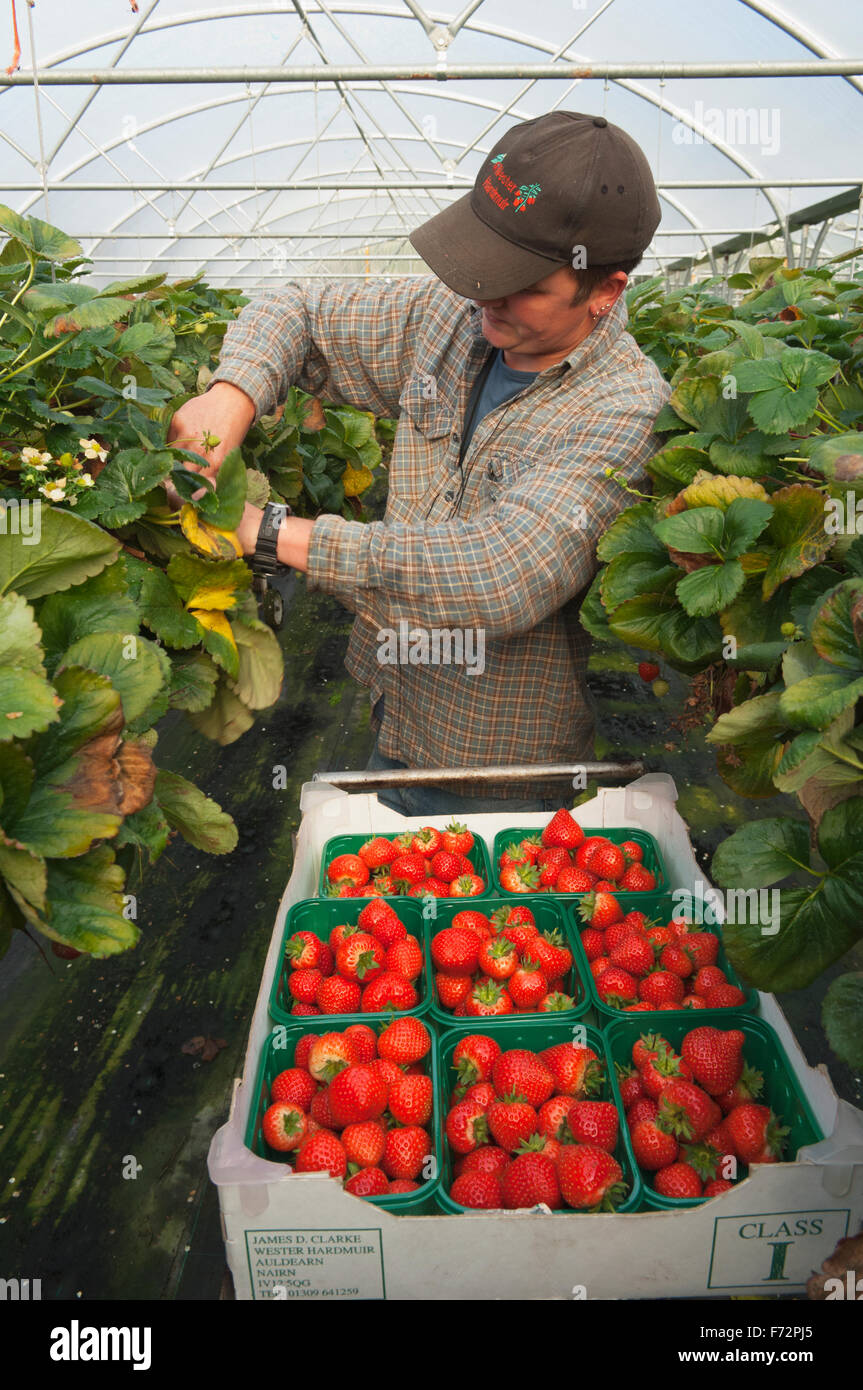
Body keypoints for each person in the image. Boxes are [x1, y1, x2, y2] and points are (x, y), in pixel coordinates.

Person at [167, 110, 671, 817]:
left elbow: (499, 574)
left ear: (604, 290)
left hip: (496, 762)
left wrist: (272, 533)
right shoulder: (451, 321)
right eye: (483, 266)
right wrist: (232, 396)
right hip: (392, 704)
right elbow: (300, 309)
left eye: (523, 283)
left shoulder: (625, 409)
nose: (485, 296)